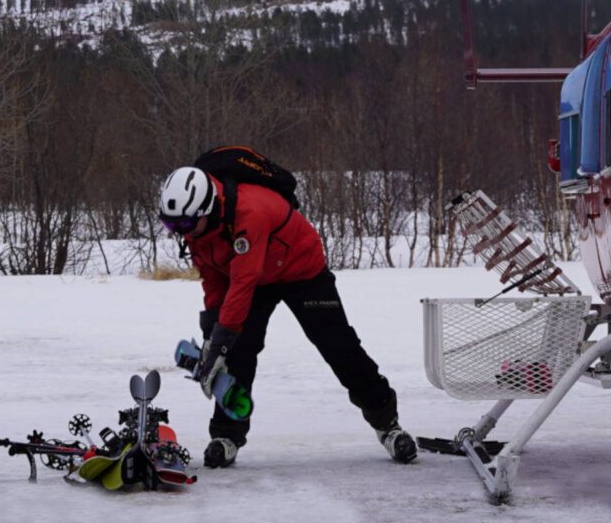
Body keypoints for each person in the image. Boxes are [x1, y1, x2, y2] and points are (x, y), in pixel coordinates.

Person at [157, 166, 417, 467]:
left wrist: (219, 343)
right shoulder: (194, 226)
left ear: (208, 207)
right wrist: (211, 335)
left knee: (339, 346)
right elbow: (214, 279)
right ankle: (226, 435)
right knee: (238, 352)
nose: (181, 232)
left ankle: (388, 424)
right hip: (253, 276)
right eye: (171, 226)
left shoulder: (249, 212)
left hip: (301, 269)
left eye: (185, 224)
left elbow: (242, 281)